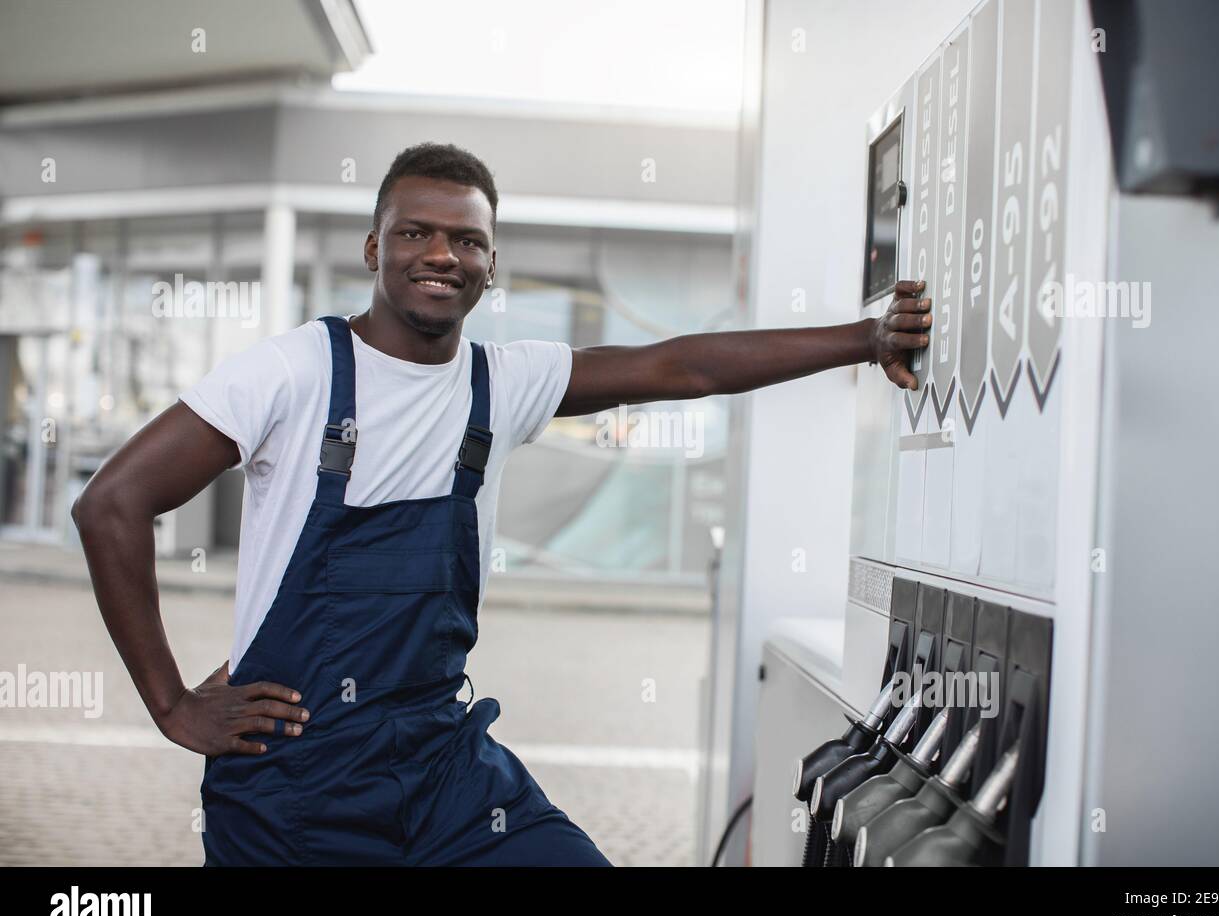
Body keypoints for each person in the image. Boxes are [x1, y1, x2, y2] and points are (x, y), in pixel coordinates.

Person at [71, 142, 932, 866]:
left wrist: (863, 339)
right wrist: (173, 705)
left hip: (442, 765)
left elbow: (683, 367)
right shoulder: (293, 372)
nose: (441, 254)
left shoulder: (503, 383)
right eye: (415, 232)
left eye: (466, 239)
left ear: (491, 263)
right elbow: (113, 502)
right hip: (296, 785)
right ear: (374, 249)